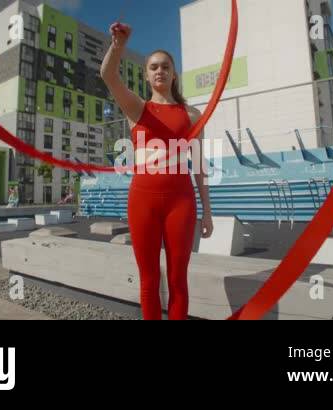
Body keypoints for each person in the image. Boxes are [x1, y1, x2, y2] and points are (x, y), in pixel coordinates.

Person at [101, 22, 214, 320]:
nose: (159, 71)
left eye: (165, 66)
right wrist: (118, 46)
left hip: (181, 203)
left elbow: (200, 167)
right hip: (143, 203)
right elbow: (108, 75)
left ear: (173, 73)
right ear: (147, 75)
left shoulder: (192, 115)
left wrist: (207, 211)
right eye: (153, 67)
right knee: (149, 280)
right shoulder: (137, 108)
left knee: (178, 280)